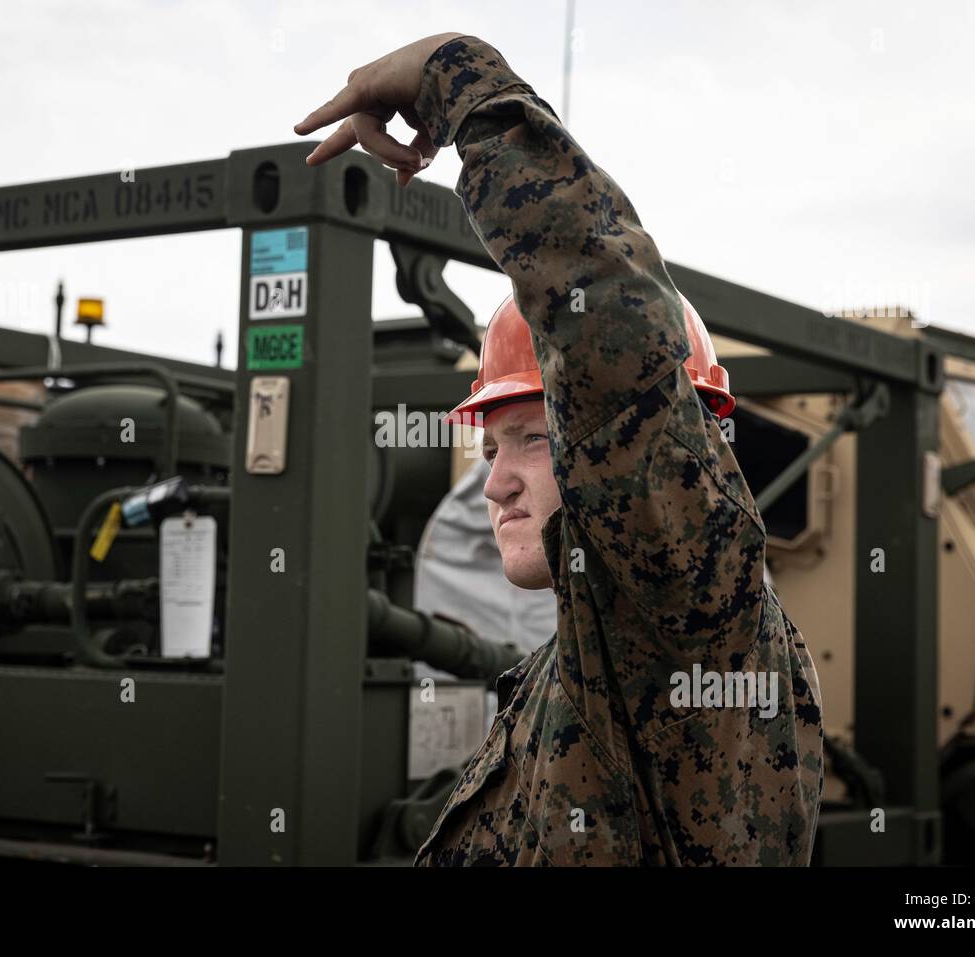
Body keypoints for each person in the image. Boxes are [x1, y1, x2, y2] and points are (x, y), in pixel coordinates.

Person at [296, 33, 823, 866]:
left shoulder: (691, 622)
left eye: (535, 440)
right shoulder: (584, 664)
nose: (493, 486)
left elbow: (606, 322)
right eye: (492, 447)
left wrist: (455, 78)